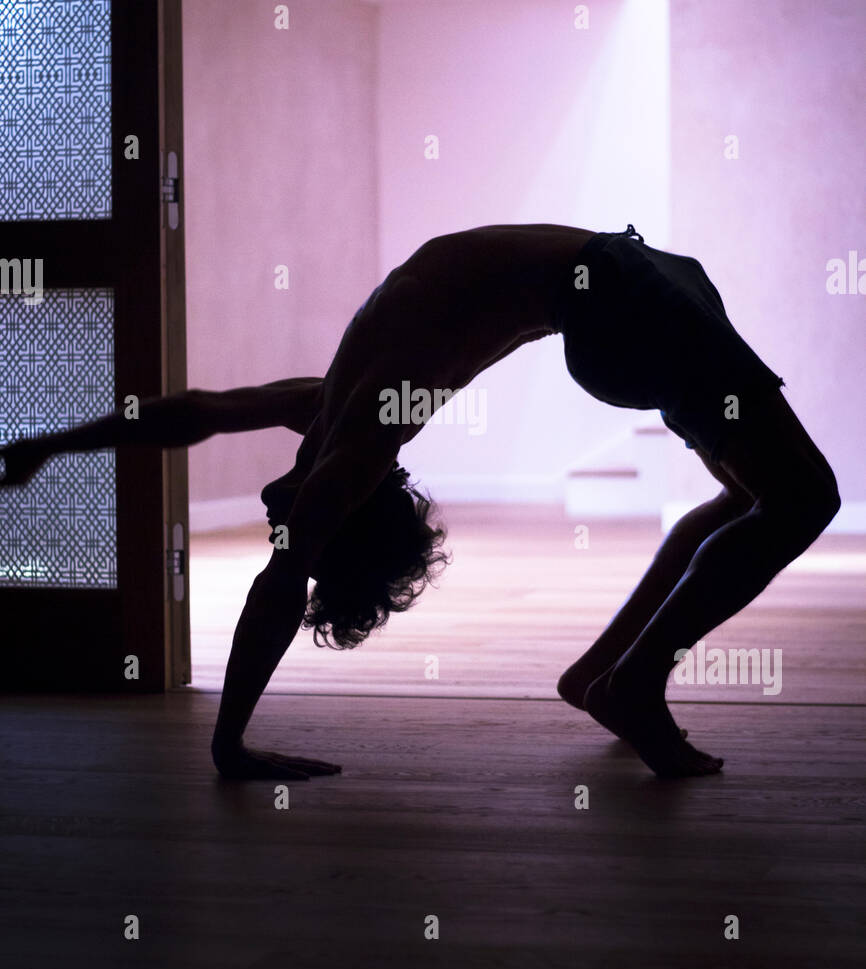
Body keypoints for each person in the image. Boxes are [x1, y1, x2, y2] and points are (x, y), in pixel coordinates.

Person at [0, 224, 839, 780]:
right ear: (345, 514)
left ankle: (607, 676)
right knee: (802, 499)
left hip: (627, 288)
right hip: (623, 295)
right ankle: (632, 682)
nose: (276, 520)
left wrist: (48, 446)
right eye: (305, 530)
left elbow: (194, 413)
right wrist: (229, 744)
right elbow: (276, 587)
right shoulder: (352, 446)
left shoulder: (330, 410)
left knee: (759, 497)